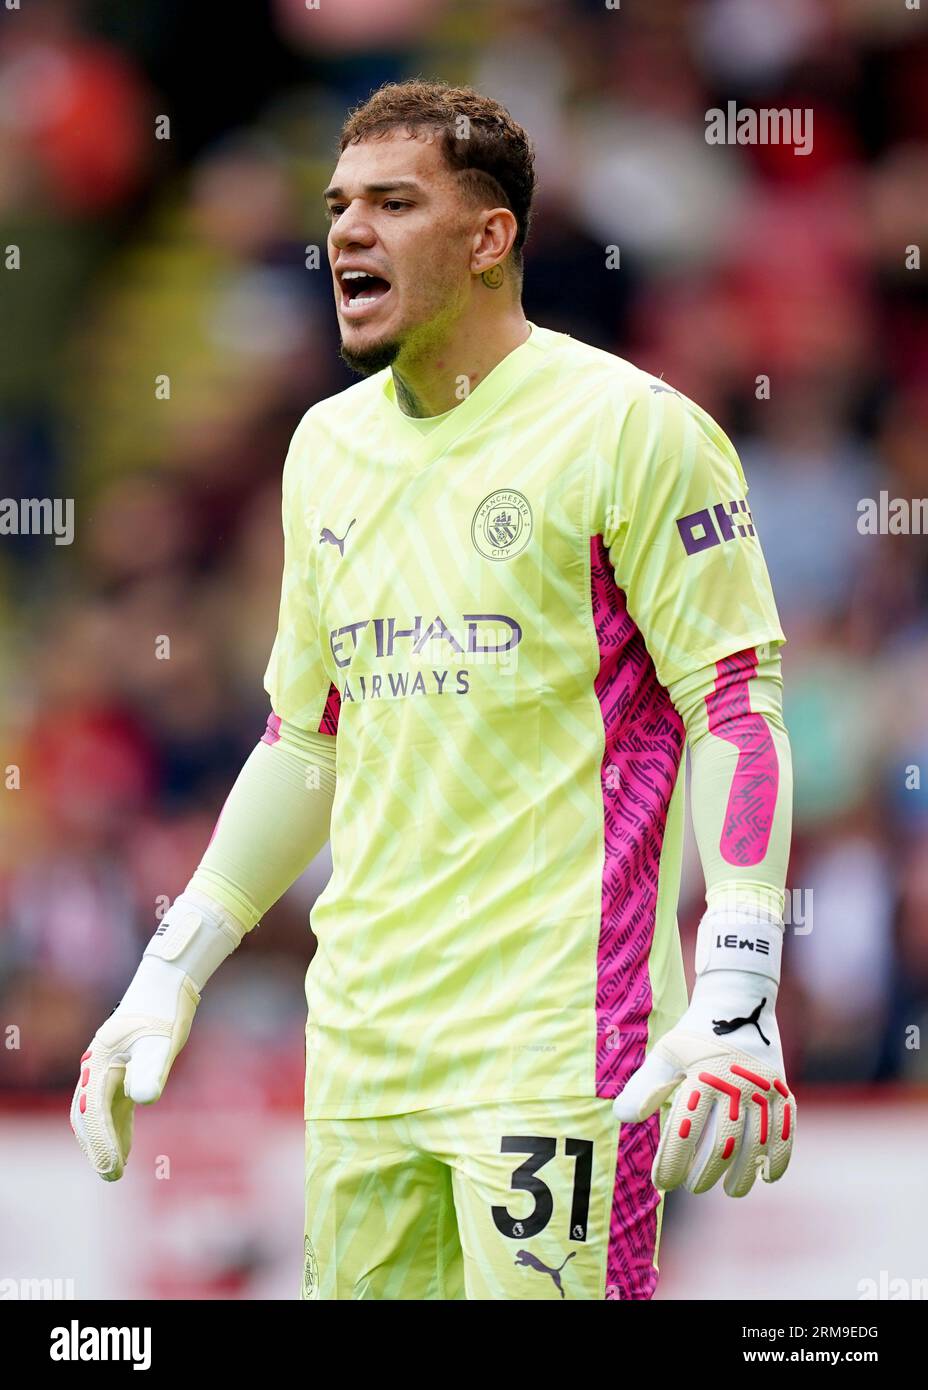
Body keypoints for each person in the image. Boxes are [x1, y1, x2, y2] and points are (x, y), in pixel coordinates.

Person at [72, 79, 795, 1301]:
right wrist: (171, 966)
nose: (347, 231)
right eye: (337, 206)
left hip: (562, 1040)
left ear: (489, 237)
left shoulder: (630, 429)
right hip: (362, 1052)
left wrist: (738, 976)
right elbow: (307, 740)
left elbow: (734, 704)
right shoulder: (325, 448)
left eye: (393, 204)